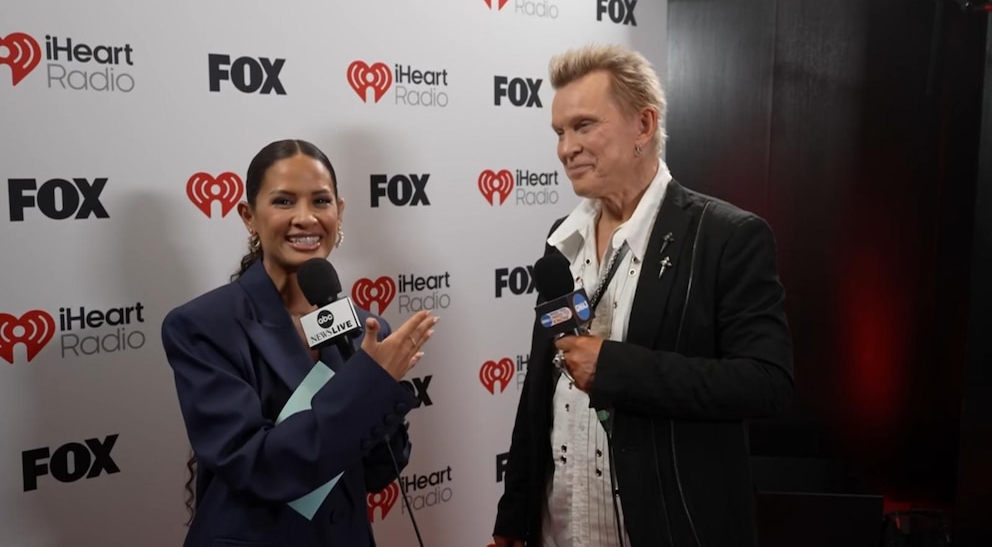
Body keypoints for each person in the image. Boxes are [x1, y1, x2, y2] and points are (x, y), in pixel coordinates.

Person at [493, 45, 794, 547]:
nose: (567, 148)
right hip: (559, 529)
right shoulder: (559, 238)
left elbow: (766, 382)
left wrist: (616, 370)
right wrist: (512, 518)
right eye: (559, 132)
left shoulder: (726, 236)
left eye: (584, 125)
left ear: (644, 125)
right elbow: (539, 393)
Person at [162, 139, 438, 547]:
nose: (306, 218)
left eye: (321, 201)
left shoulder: (363, 327)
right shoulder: (203, 325)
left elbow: (381, 469)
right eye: (284, 202)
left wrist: (383, 390)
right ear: (248, 217)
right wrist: (367, 384)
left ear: (339, 212)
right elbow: (257, 466)